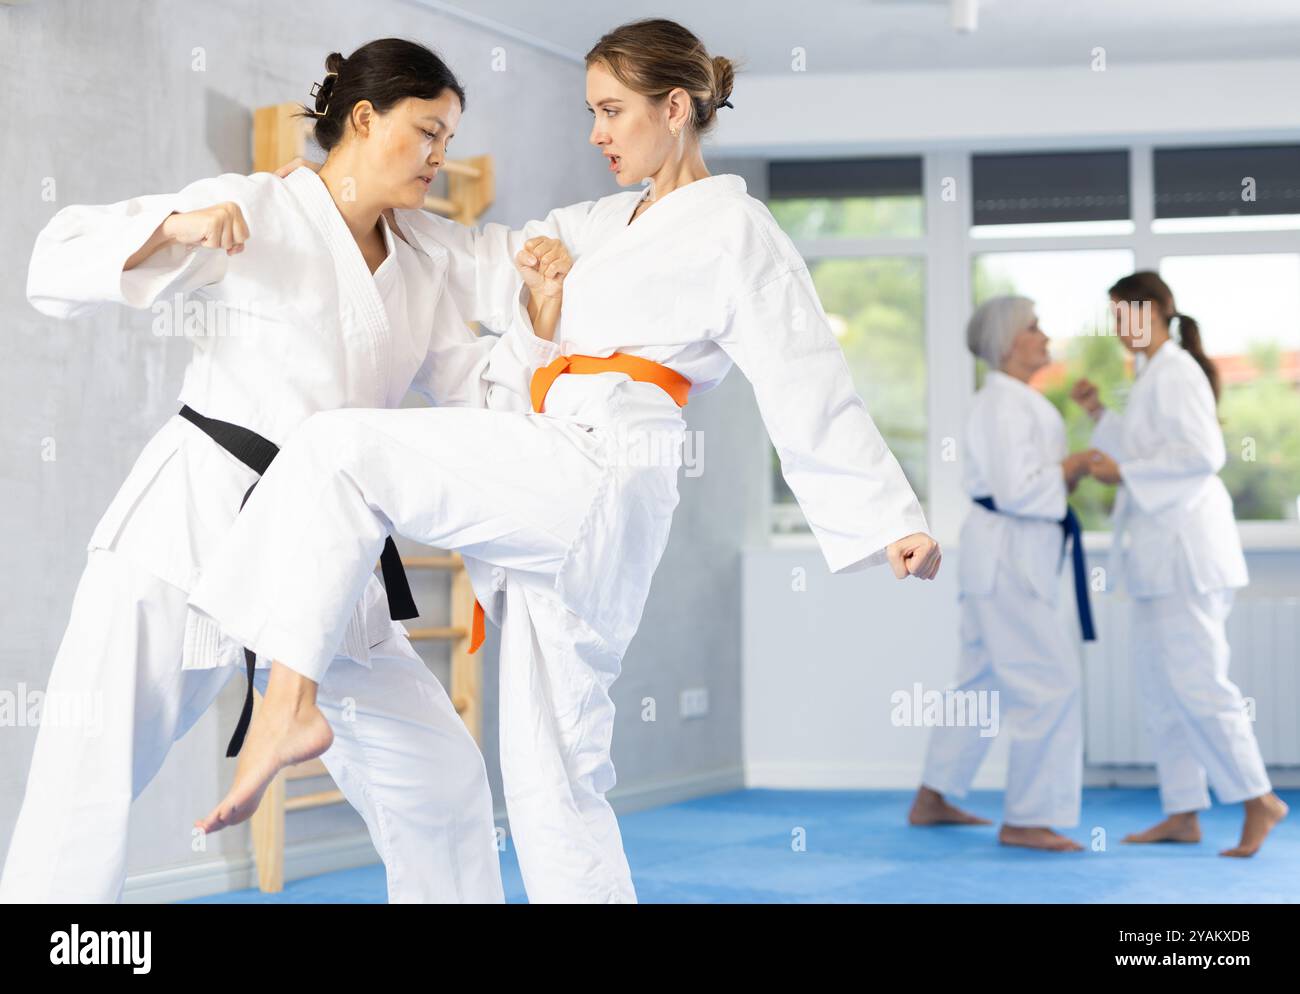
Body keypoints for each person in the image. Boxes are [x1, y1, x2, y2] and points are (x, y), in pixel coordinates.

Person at [186, 18, 942, 904]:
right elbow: (461, 252)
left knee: (339, 447)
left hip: (606, 465)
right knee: (554, 776)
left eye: (613, 111)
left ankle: (289, 703)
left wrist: (892, 518)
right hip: (552, 456)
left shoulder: (736, 229)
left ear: (675, 107)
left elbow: (807, 372)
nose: (598, 133)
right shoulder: (592, 223)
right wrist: (321, 198)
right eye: (591, 111)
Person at [1, 38, 570, 903]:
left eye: (449, 139)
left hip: (325, 561)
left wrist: (538, 319)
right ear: (365, 118)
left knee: (442, 780)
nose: (439, 157)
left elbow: (480, 401)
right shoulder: (252, 206)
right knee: (86, 772)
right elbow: (53, 261)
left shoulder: (422, 261)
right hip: (189, 531)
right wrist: (173, 228)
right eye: (426, 131)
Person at [1072, 270, 1288, 857]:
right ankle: (1183, 810)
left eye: (1121, 315)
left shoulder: (1178, 372)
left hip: (1186, 558)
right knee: (1161, 687)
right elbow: (1145, 449)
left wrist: (1127, 473)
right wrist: (1098, 416)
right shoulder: (1151, 377)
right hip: (1158, 560)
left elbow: (1202, 453)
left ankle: (1257, 799)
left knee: (1198, 683)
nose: (1116, 328)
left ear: (1153, 312)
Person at [910, 297, 1093, 851]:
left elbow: (1039, 486)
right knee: (1050, 684)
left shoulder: (1019, 403)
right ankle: (1027, 818)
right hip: (1009, 558)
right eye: (1034, 328)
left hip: (1007, 557)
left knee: (980, 681)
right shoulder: (1002, 406)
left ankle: (934, 796)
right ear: (1010, 342)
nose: (1043, 336)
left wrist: (1072, 467)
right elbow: (1021, 492)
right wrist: (1075, 464)